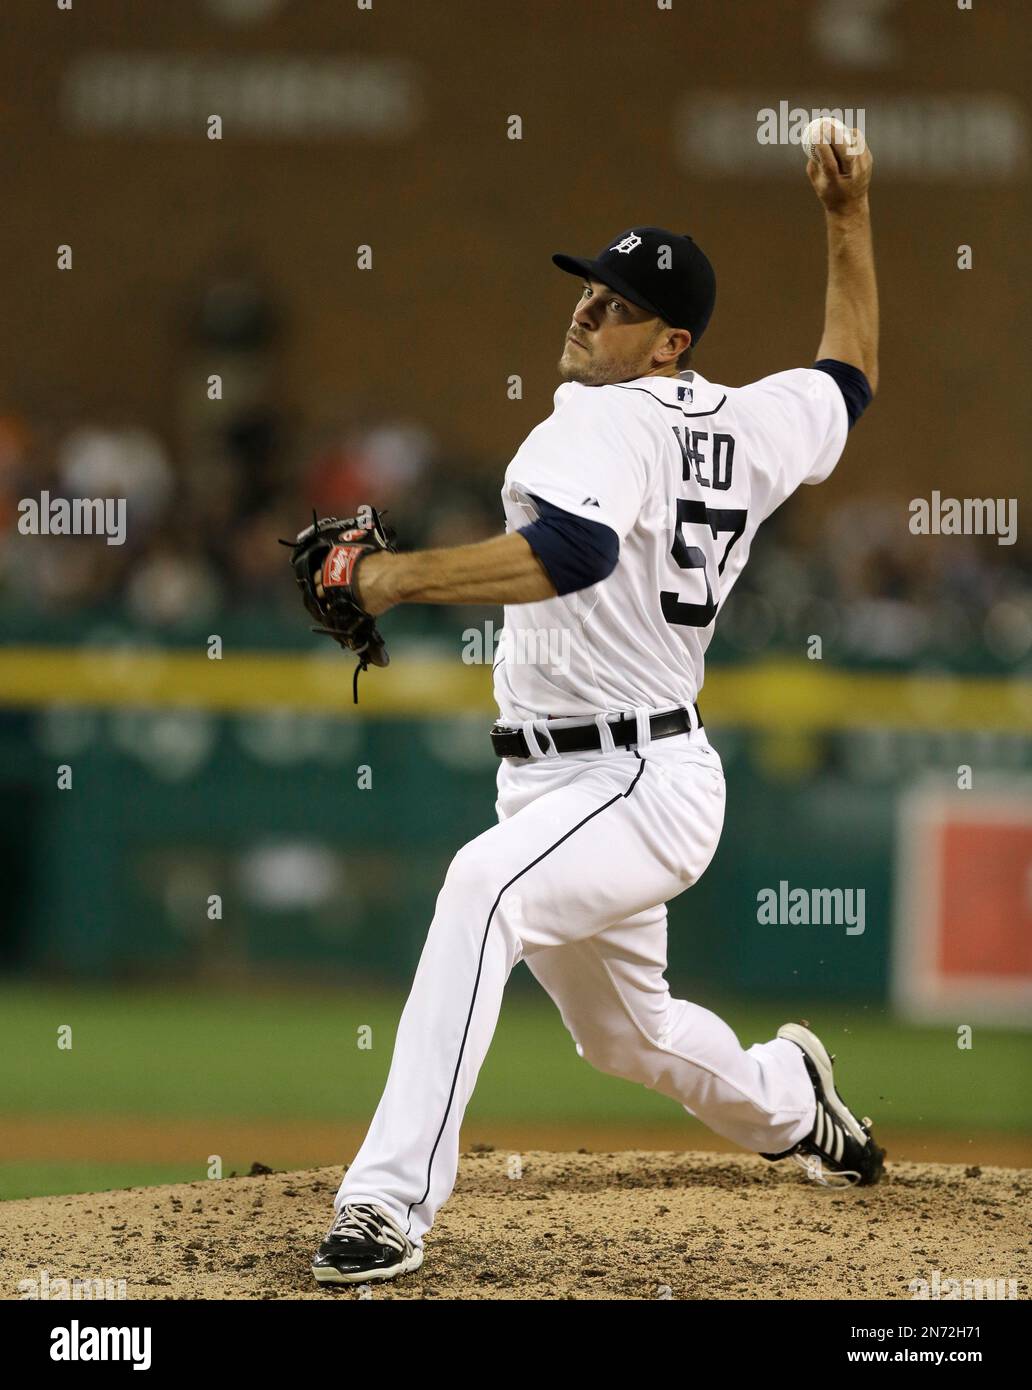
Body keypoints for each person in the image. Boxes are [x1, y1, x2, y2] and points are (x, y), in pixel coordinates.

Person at [311, 128, 882, 1286]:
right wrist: (847, 218)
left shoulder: (598, 420)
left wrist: (389, 577)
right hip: (594, 777)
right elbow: (852, 373)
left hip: (631, 775)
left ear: (669, 343)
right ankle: (791, 1099)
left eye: (617, 305)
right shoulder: (753, 420)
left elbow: (567, 551)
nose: (588, 312)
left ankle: (384, 1204)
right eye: (590, 290)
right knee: (626, 1035)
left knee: (481, 887)